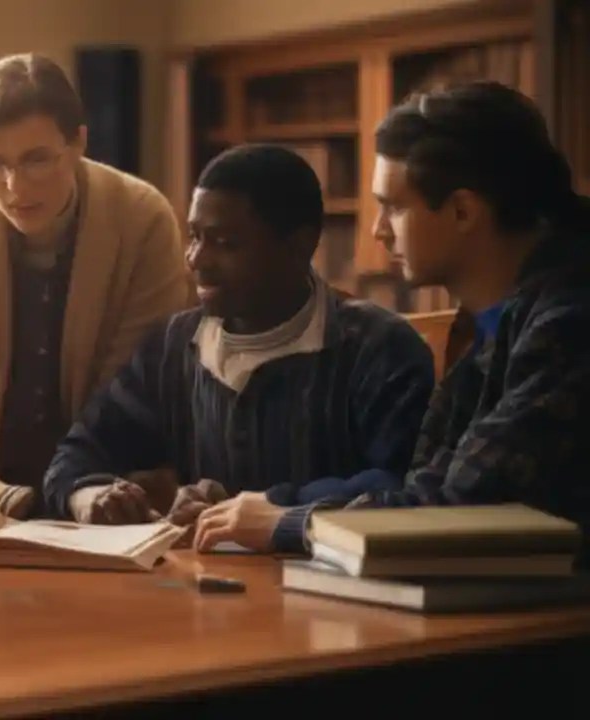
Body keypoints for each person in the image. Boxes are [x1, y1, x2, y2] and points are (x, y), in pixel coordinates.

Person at [229, 81, 590, 558]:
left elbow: (463, 508)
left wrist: (293, 523)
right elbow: (427, 480)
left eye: (393, 207)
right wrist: (281, 503)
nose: (378, 231)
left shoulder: (567, 322)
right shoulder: (491, 324)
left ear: (463, 211)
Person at [43, 144, 436, 552]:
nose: (197, 259)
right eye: (194, 236)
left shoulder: (378, 349)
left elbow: (404, 485)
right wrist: (89, 497)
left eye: (225, 243)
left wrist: (269, 505)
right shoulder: (174, 347)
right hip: (210, 597)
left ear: (300, 246)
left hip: (339, 600)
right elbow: (77, 454)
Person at [0, 53, 195, 530]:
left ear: (78, 143)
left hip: (115, 497)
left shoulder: (142, 220)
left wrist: (75, 489)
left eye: (36, 160)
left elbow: (132, 396)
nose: (15, 187)